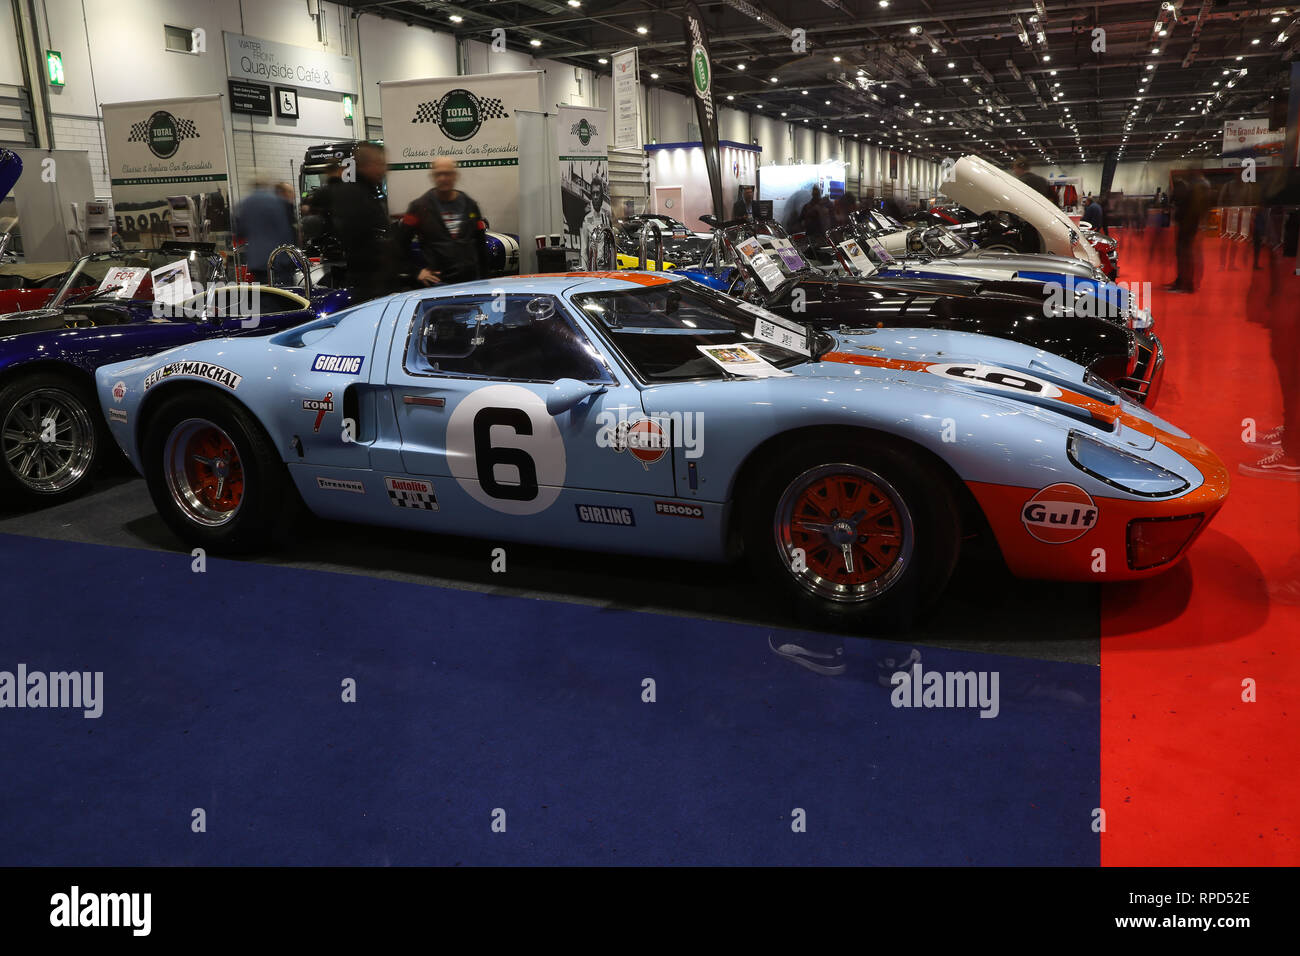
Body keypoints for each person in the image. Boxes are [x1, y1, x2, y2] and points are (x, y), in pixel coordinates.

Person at [401, 156, 490, 287]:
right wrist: (415, 271)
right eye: (438, 174)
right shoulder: (419, 207)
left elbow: (481, 244)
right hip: (438, 285)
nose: (443, 178)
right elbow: (399, 245)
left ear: (455, 176)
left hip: (471, 283)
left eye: (447, 174)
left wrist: (485, 280)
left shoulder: (470, 205)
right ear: (432, 176)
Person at [332, 143, 396, 302]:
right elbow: (362, 240)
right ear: (367, 165)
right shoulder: (355, 195)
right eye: (380, 164)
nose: (383, 169)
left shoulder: (369, 193)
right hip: (368, 284)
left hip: (374, 281)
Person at [233, 177, 294, 285]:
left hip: (256, 261)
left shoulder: (244, 204)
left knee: (263, 292)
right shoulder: (278, 202)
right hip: (278, 258)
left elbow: (239, 233)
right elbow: (286, 231)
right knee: (284, 294)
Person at [579, 174, 612, 269]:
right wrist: (585, 273)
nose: (596, 197)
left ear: (602, 196)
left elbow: (610, 247)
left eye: (598, 193)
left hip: (606, 270)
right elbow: (584, 249)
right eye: (593, 193)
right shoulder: (587, 219)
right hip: (593, 269)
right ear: (591, 196)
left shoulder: (606, 218)